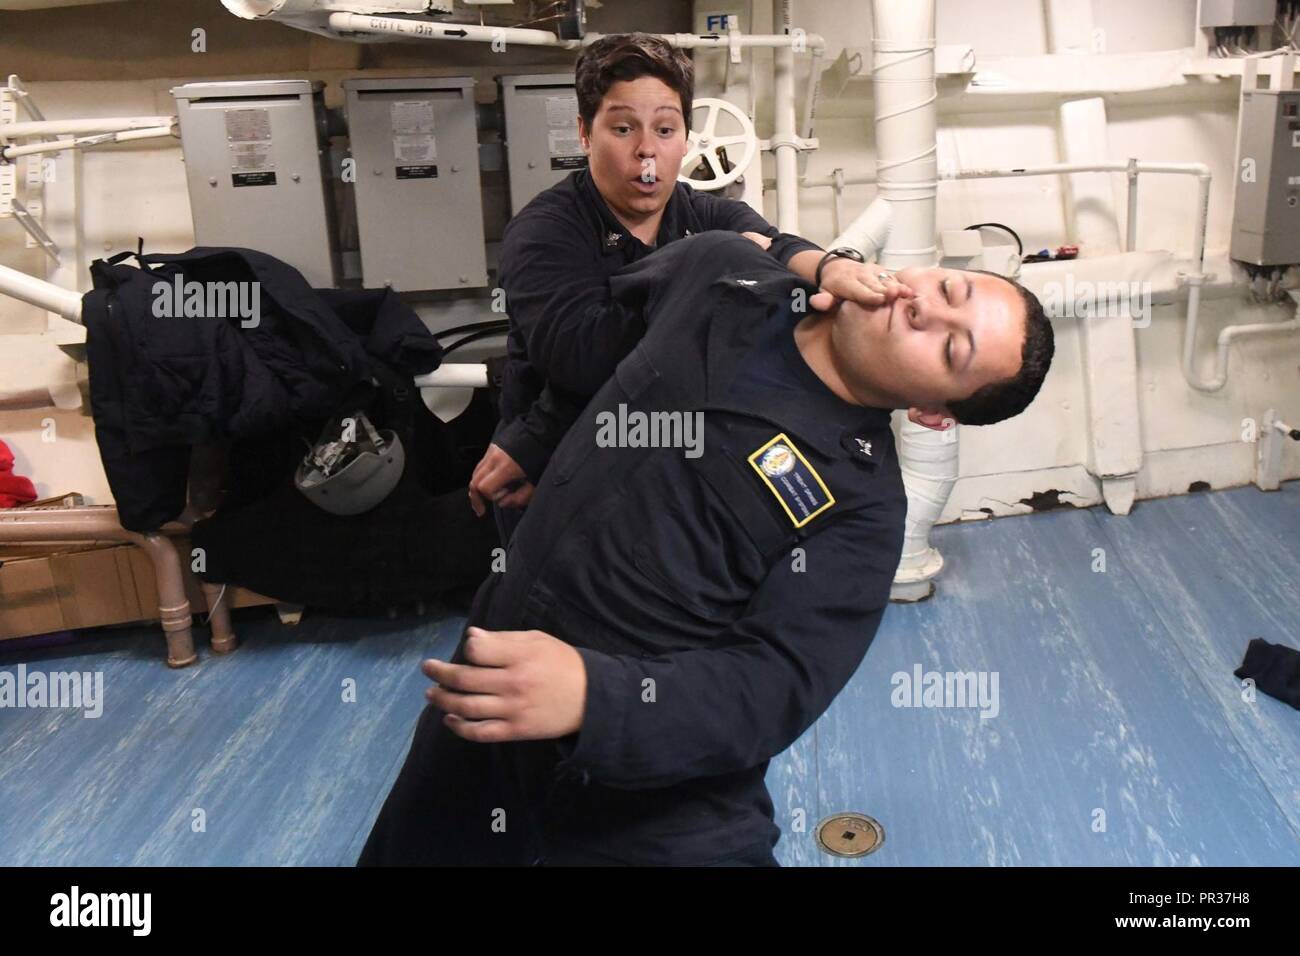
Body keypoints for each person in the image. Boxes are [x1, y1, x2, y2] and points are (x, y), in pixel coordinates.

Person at [358, 231, 1055, 866]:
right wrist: (538, 439)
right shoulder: (725, 281)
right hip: (491, 682)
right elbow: (595, 348)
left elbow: (771, 688)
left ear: (934, 414)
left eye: (951, 349)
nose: (925, 311)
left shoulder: (863, 515)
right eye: (947, 288)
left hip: (647, 787)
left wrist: (594, 698)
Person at [471, 32, 919, 543]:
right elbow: (587, 363)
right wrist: (713, 273)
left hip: (667, 477)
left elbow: (777, 249)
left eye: (666, 129)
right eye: (622, 128)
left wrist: (830, 269)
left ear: (686, 134)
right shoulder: (546, 232)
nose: (647, 151)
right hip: (558, 476)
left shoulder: (705, 211)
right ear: (584, 133)